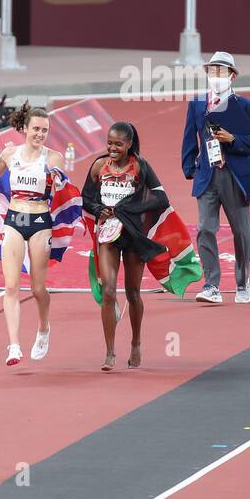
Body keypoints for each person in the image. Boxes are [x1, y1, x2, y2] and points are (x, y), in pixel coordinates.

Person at [81, 121, 200, 371]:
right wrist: (99, 209)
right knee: (109, 291)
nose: (112, 148)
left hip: (134, 235)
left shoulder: (141, 167)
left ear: (129, 144)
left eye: (118, 144)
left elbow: (160, 197)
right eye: (109, 143)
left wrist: (129, 207)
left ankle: (136, 342)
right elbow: (86, 198)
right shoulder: (99, 166)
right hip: (108, 236)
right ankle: (110, 352)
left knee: (133, 292)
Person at [0, 104, 67, 366]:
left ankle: (43, 328)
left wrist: (58, 180)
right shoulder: (9, 153)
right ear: (25, 129)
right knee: (10, 285)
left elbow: (62, 185)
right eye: (36, 129)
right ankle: (14, 345)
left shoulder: (53, 157)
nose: (40, 134)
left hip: (40, 221)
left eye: (45, 130)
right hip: (14, 220)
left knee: (38, 288)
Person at [182, 51, 250, 304]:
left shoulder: (248, 107)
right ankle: (211, 285)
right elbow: (189, 140)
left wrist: (233, 140)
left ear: (232, 76)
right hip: (207, 176)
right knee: (205, 228)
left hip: (236, 177)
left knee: (241, 231)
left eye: (221, 71)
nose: (216, 76)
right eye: (212, 71)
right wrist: (191, 170)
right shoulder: (197, 105)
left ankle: (242, 281)